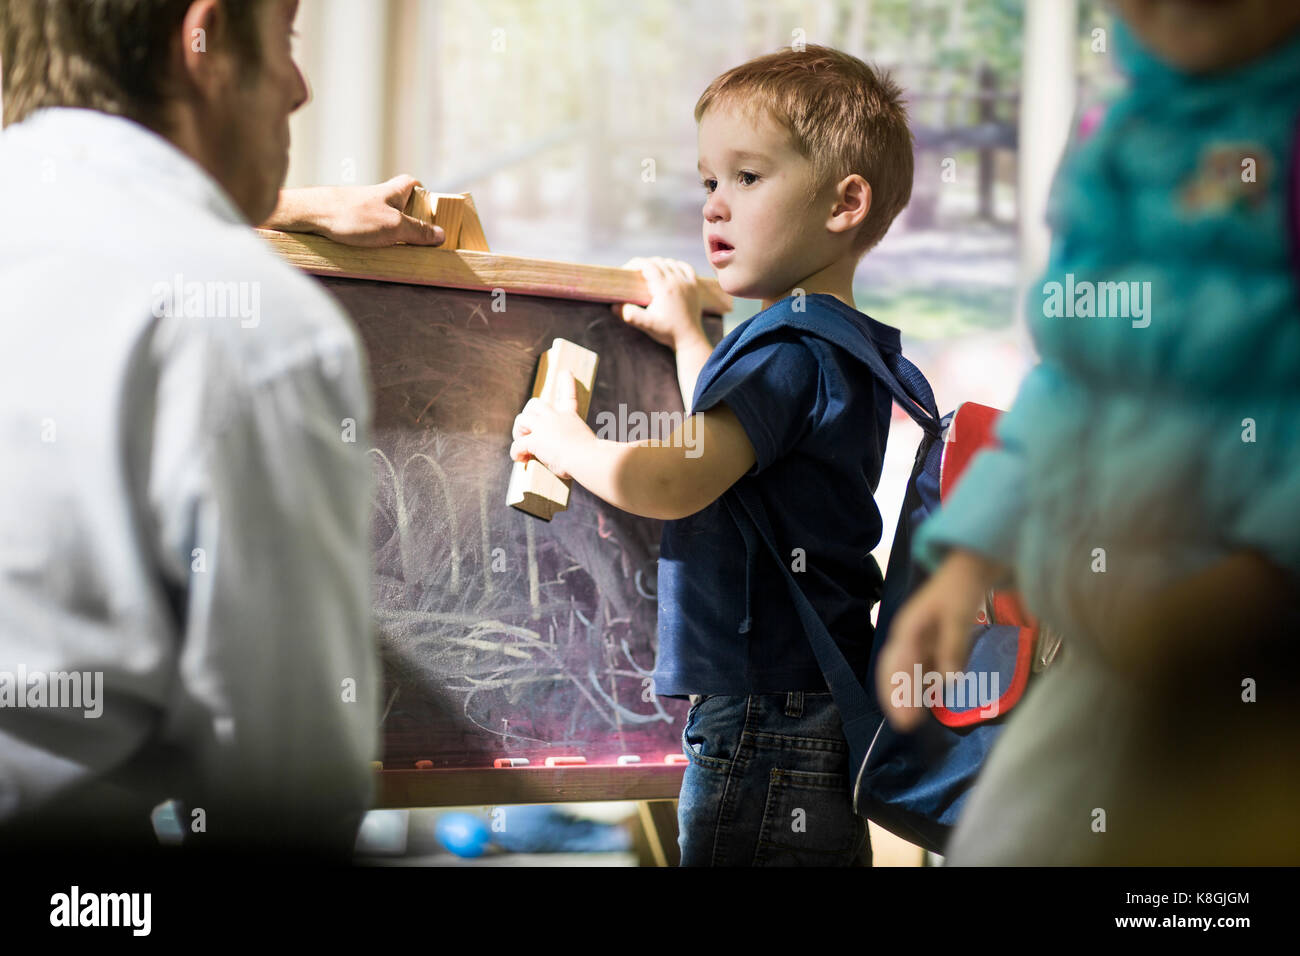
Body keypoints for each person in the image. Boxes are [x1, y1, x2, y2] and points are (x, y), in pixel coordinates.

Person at [0, 0, 441, 856]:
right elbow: (286, 800)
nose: (301, 89)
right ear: (203, 41)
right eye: (286, 40)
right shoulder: (249, 328)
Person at [877, 0, 1300, 864]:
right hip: (1119, 643)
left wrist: (1256, 580)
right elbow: (1071, 379)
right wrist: (965, 565)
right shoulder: (1122, 143)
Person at [510, 45, 914, 866]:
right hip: (812, 699)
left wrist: (568, 441)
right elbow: (736, 439)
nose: (715, 208)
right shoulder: (831, 345)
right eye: (707, 182)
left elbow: (679, 476)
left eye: (748, 178)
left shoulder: (786, 351)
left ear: (845, 203)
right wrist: (692, 336)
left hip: (760, 712)